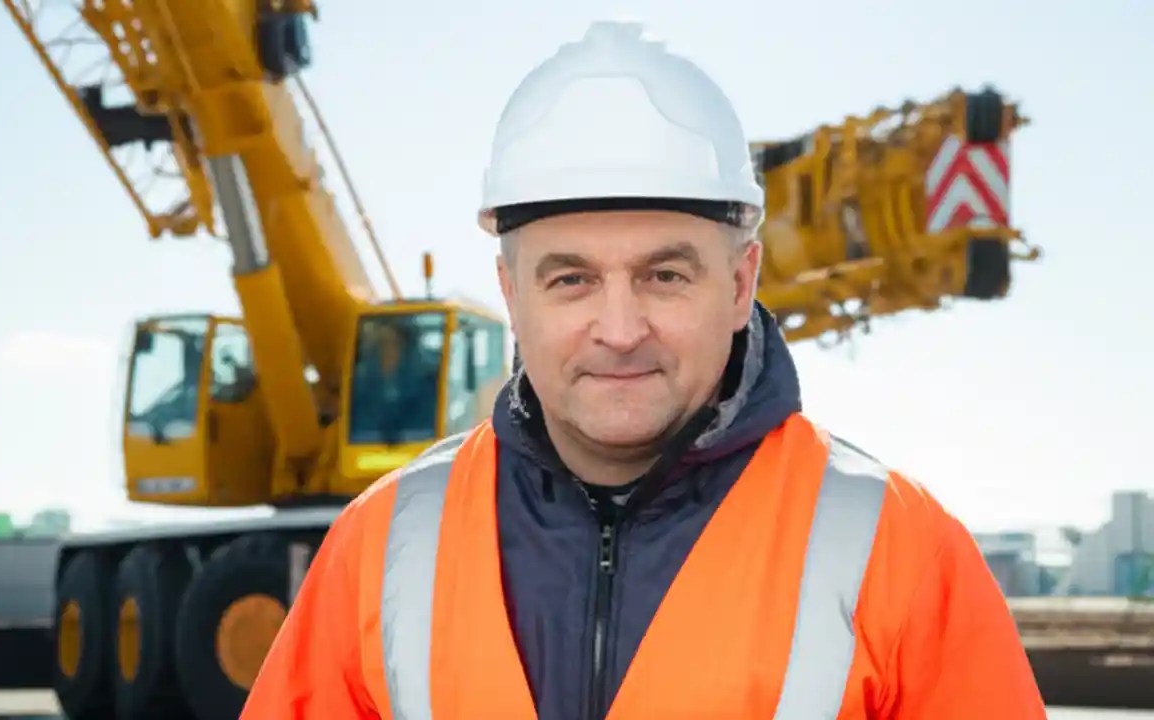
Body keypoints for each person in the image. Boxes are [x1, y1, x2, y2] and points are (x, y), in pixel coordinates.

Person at [240, 19, 1047, 719]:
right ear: (511, 295)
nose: (620, 331)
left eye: (665, 275)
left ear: (740, 284)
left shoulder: (900, 552)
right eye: (572, 279)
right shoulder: (381, 547)